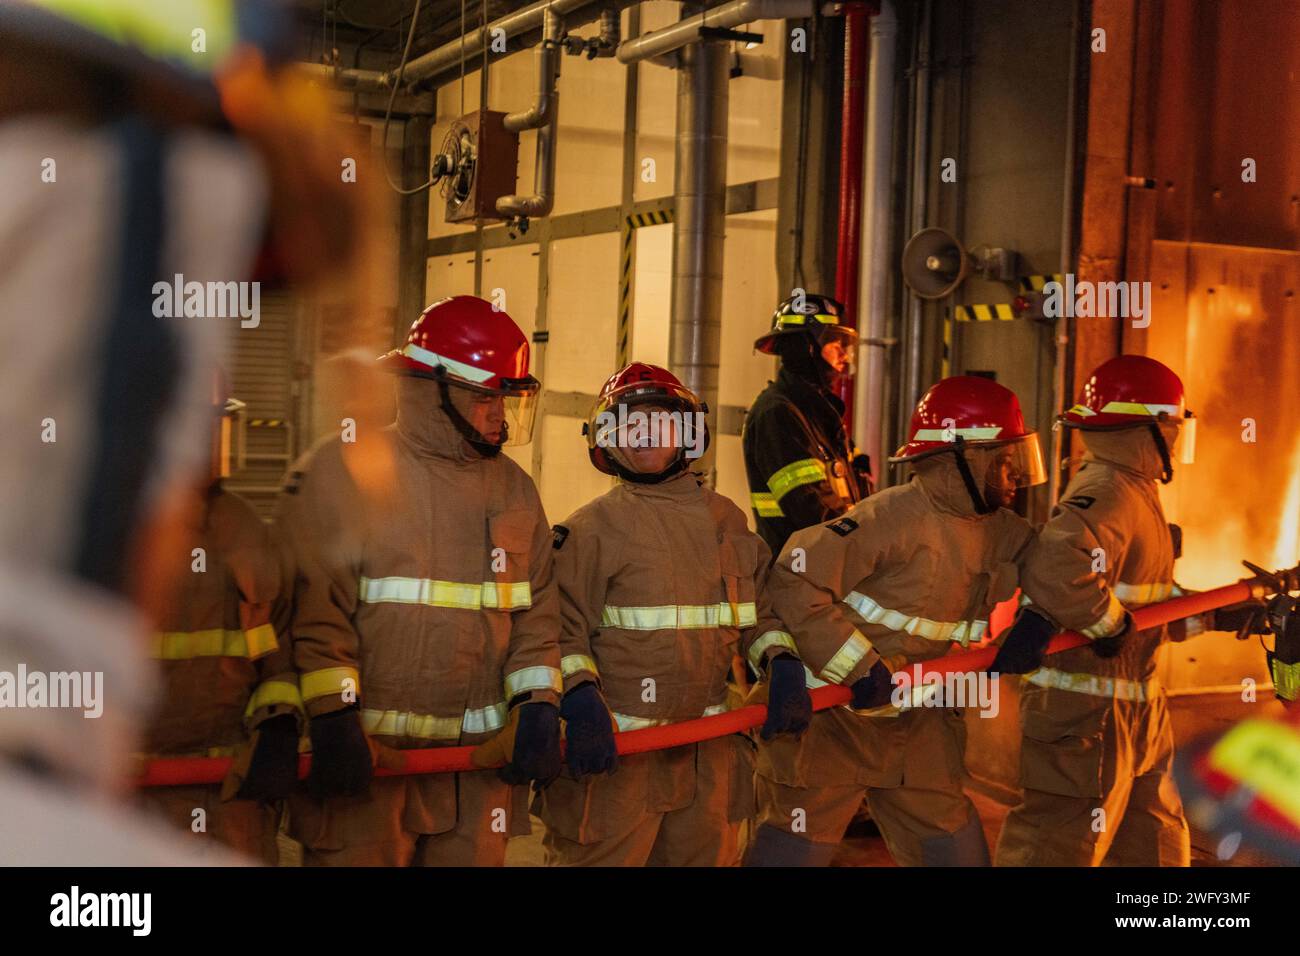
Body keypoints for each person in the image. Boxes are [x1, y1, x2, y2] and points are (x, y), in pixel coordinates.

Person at [279, 295, 563, 866]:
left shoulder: (515, 490)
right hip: (367, 766)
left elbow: (537, 616)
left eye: (507, 398)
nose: (499, 415)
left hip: (475, 779)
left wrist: (538, 703)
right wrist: (333, 716)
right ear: (435, 388)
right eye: (486, 396)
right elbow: (312, 610)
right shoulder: (346, 469)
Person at [746, 376, 1043, 866]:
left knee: (957, 856)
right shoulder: (890, 518)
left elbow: (1058, 567)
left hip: (919, 729)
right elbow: (794, 579)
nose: (1013, 477)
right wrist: (860, 668)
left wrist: (1041, 618)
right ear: (964, 458)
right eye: (1003, 461)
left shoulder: (1003, 532)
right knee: (789, 853)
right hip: (832, 720)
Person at [534, 363, 811, 866]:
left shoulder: (726, 520)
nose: (642, 437)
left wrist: (782, 662)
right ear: (605, 442)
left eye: (658, 424)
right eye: (627, 425)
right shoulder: (588, 531)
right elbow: (555, 632)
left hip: (709, 759)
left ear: (688, 434)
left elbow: (759, 614)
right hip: (616, 760)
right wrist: (578, 700)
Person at [992, 354, 1198, 866]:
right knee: (1055, 848)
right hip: (1085, 721)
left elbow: (1142, 602)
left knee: (1153, 845)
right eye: (1173, 425)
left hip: (1135, 713)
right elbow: (1056, 562)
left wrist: (1218, 613)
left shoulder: (1135, 489)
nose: (1177, 438)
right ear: (1147, 429)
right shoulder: (1108, 489)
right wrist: (1105, 623)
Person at [137, 372, 301, 862]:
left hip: (230, 790)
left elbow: (276, 648)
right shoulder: (104, 526)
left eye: (218, 429)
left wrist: (279, 722)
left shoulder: (246, 528)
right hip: (126, 787)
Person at [743, 293, 870, 556]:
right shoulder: (778, 413)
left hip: (824, 568)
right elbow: (811, 510)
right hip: (796, 573)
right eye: (837, 346)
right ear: (807, 347)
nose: (844, 358)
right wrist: (867, 547)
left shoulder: (816, 414)